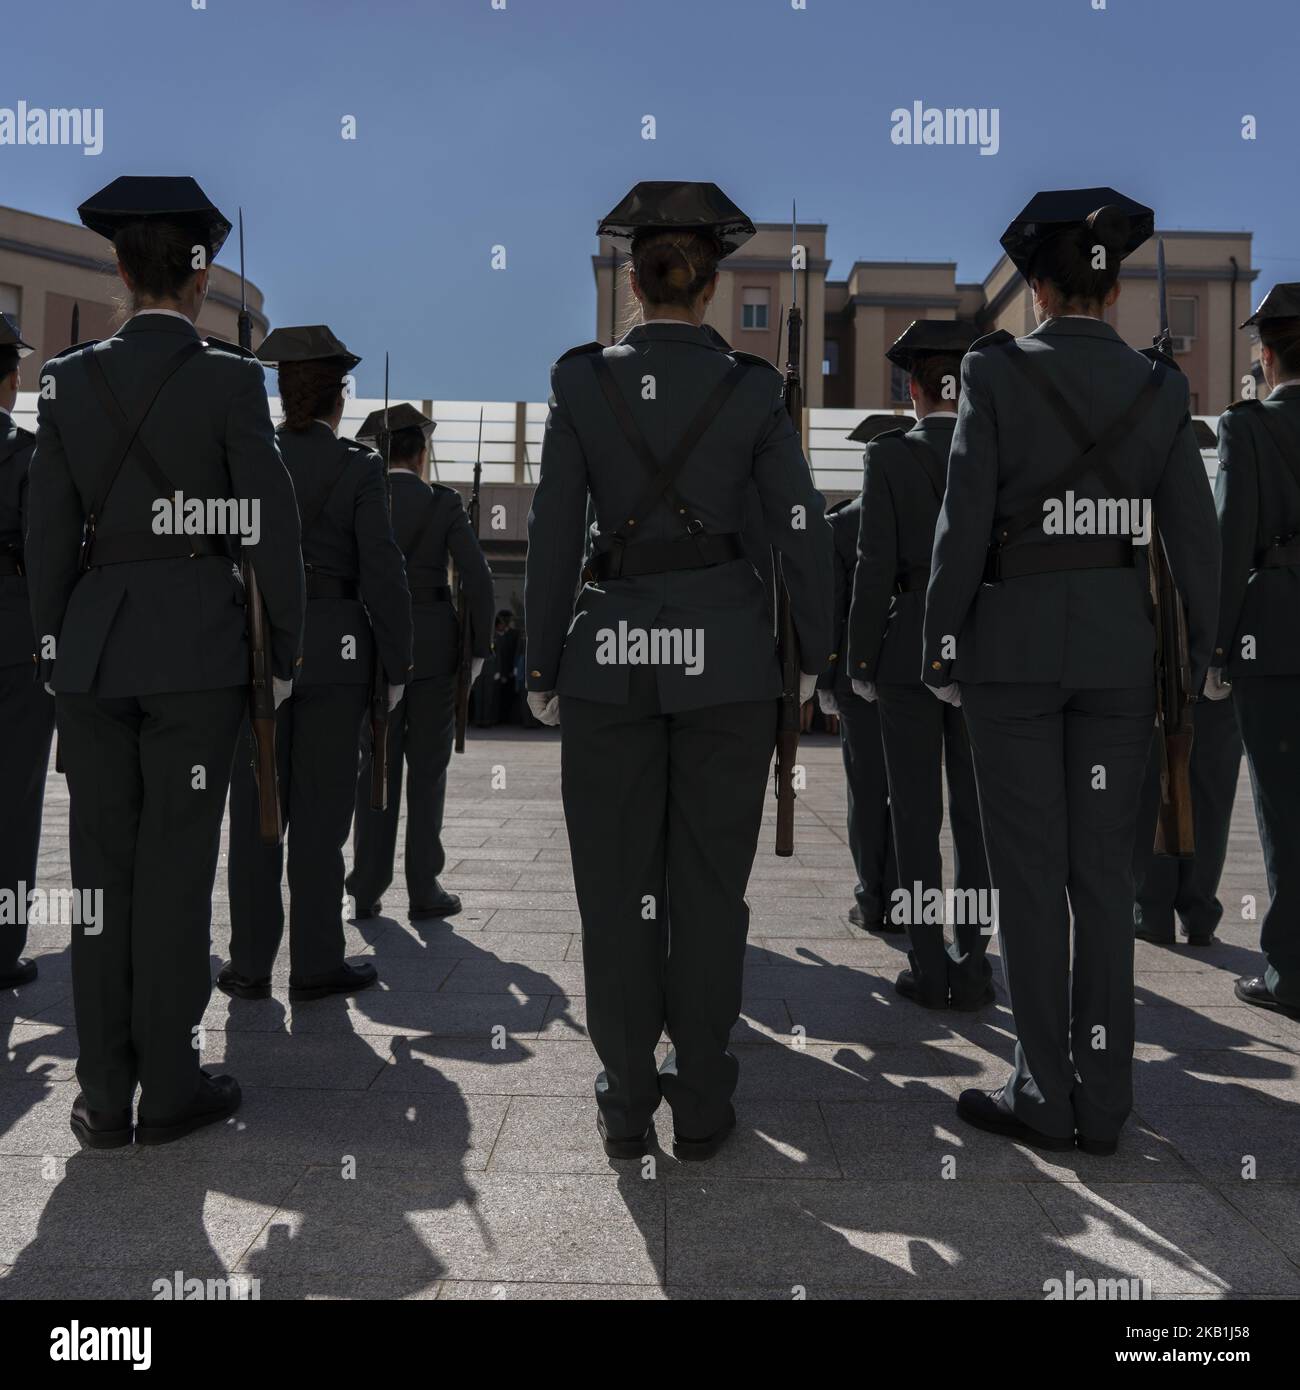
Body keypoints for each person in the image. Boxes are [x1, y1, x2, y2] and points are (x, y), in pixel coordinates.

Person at [524, 180, 833, 1162]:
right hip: (728, 664)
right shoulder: (751, 390)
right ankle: (700, 1102)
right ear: (711, 287)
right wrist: (810, 660)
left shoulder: (581, 383)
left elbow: (550, 537)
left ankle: (623, 1105)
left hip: (610, 658)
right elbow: (798, 528)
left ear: (633, 278)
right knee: (707, 893)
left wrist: (540, 661)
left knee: (615, 893)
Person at [921, 188, 1219, 1154]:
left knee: (1029, 879)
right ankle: (1107, 1102)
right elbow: (1194, 539)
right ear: (1114, 290)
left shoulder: (994, 374)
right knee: (1103, 878)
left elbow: (962, 523)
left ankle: (1044, 1090)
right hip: (1116, 657)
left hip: (1010, 654)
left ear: (1037, 291)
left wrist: (941, 642)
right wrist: (1209, 655)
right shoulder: (1161, 388)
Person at [25, 176, 305, 1146]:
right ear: (199, 275)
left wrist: (58, 645)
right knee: (178, 869)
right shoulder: (232, 381)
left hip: (96, 648)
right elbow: (271, 529)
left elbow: (49, 530)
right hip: (196, 646)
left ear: (115, 267)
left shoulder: (64, 380)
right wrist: (285, 657)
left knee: (100, 872)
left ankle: (104, 1094)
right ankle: (171, 1082)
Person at [220, 327, 412, 1000]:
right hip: (337, 649)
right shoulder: (359, 467)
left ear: (280, 391)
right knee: (323, 816)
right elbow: (382, 573)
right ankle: (315, 962)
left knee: (256, 811)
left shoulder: (248, 458)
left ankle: (248, 963)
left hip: (257, 647)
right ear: (340, 397)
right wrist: (396, 665)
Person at [848, 323, 993, 1007]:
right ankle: (975, 961)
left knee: (914, 816)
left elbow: (873, 567)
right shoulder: (993, 453)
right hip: (982, 647)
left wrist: (861, 658)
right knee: (977, 818)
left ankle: (928, 963)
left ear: (913, 389)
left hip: (907, 650)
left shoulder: (890, 458)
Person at [347, 402, 491, 922]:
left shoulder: (363, 496)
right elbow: (477, 578)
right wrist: (475, 652)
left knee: (374, 769)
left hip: (374, 646)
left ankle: (365, 887)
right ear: (422, 452)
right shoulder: (445, 504)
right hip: (434, 648)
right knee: (428, 772)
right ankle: (424, 887)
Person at [1213, 283, 1300, 1017]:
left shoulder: (1246, 429)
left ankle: (1289, 973)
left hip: (1270, 634)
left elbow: (1228, 543)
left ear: (1266, 358)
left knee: (1282, 807)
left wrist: (1214, 650)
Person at [817, 416, 900, 934]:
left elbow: (831, 609)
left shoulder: (844, 522)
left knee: (868, 790)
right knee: (918, 795)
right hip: (922, 671)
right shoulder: (937, 509)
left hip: (856, 674)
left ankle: (874, 898)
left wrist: (826, 678)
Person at [0, 312, 56, 988]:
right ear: (11, 377)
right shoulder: (29, 452)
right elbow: (48, 550)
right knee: (14, 801)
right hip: (16, 637)